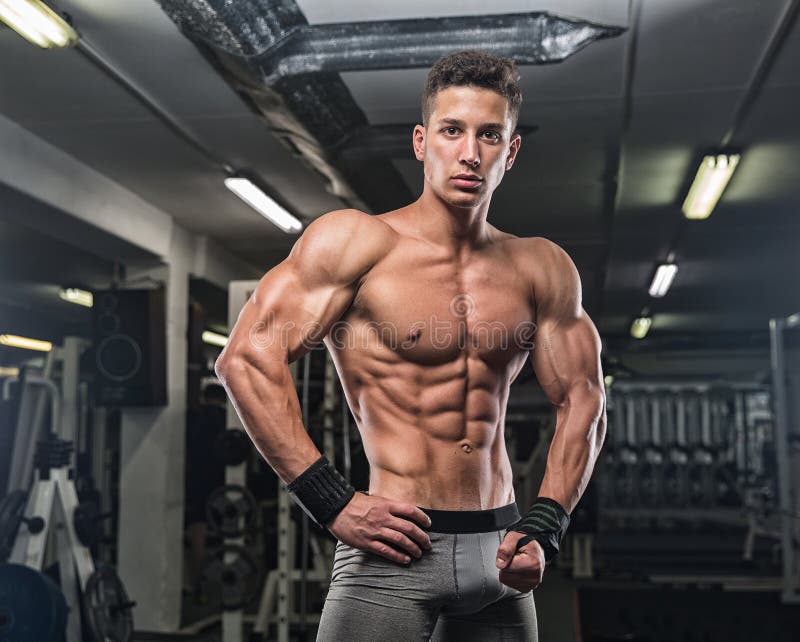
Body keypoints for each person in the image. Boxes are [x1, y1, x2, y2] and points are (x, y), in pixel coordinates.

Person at [216, 50, 606, 641]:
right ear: (422, 142)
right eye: (453, 131)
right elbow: (245, 358)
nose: (470, 153)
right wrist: (332, 501)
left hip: (501, 554)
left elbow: (584, 397)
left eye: (489, 135)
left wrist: (546, 522)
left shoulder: (541, 267)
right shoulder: (356, 244)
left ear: (512, 150)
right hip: (394, 549)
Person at [184, 383, 227, 598]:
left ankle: (196, 582)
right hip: (223, 483)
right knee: (226, 530)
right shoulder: (228, 421)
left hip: (196, 482)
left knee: (198, 531)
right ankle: (217, 582)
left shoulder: (195, 418)